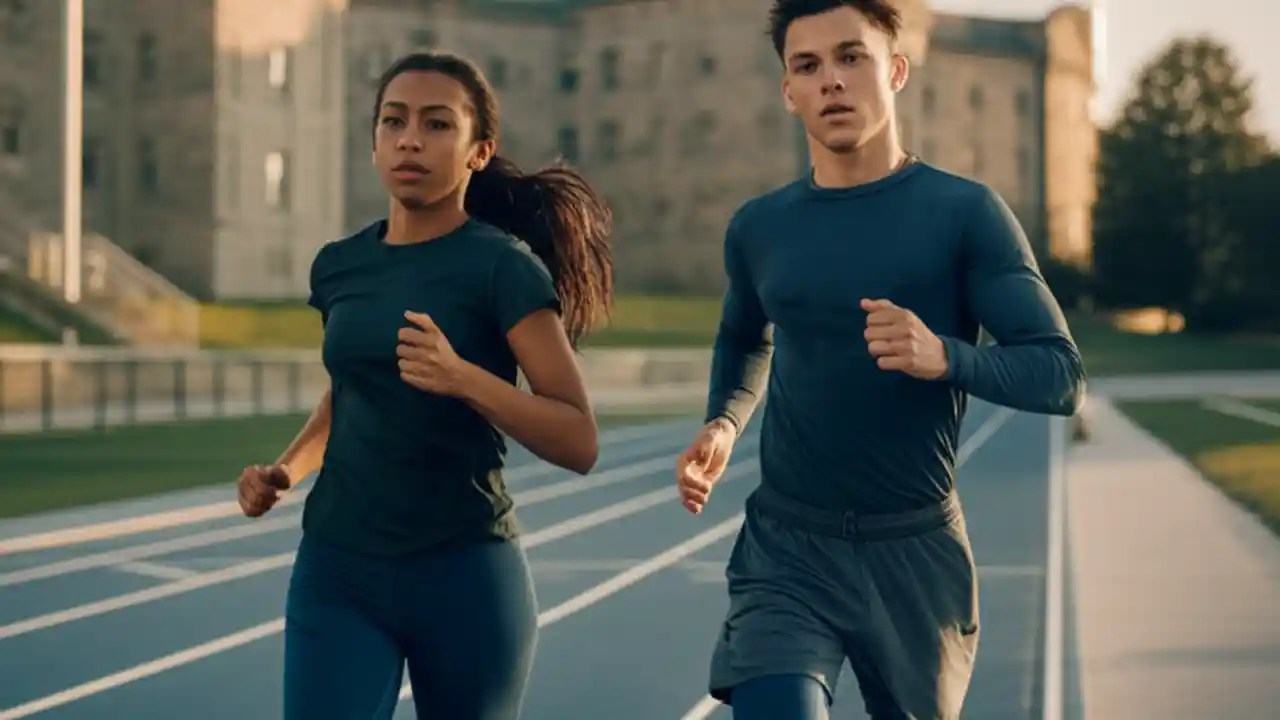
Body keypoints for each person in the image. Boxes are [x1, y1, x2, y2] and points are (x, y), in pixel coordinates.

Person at [674, 1, 1087, 718]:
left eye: (850, 57)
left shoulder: (966, 213)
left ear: (895, 71)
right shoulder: (759, 227)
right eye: (808, 65)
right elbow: (745, 337)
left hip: (915, 551)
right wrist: (725, 421)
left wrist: (946, 356)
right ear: (788, 91)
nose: (831, 80)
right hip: (788, 547)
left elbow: (1061, 375)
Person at [234, 51, 613, 720]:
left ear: (478, 151)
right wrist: (285, 472)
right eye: (394, 121)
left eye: (438, 124)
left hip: (464, 573)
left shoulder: (503, 268)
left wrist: (464, 378)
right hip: (338, 567)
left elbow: (579, 439)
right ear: (375, 139)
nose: (411, 138)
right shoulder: (339, 266)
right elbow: (351, 393)